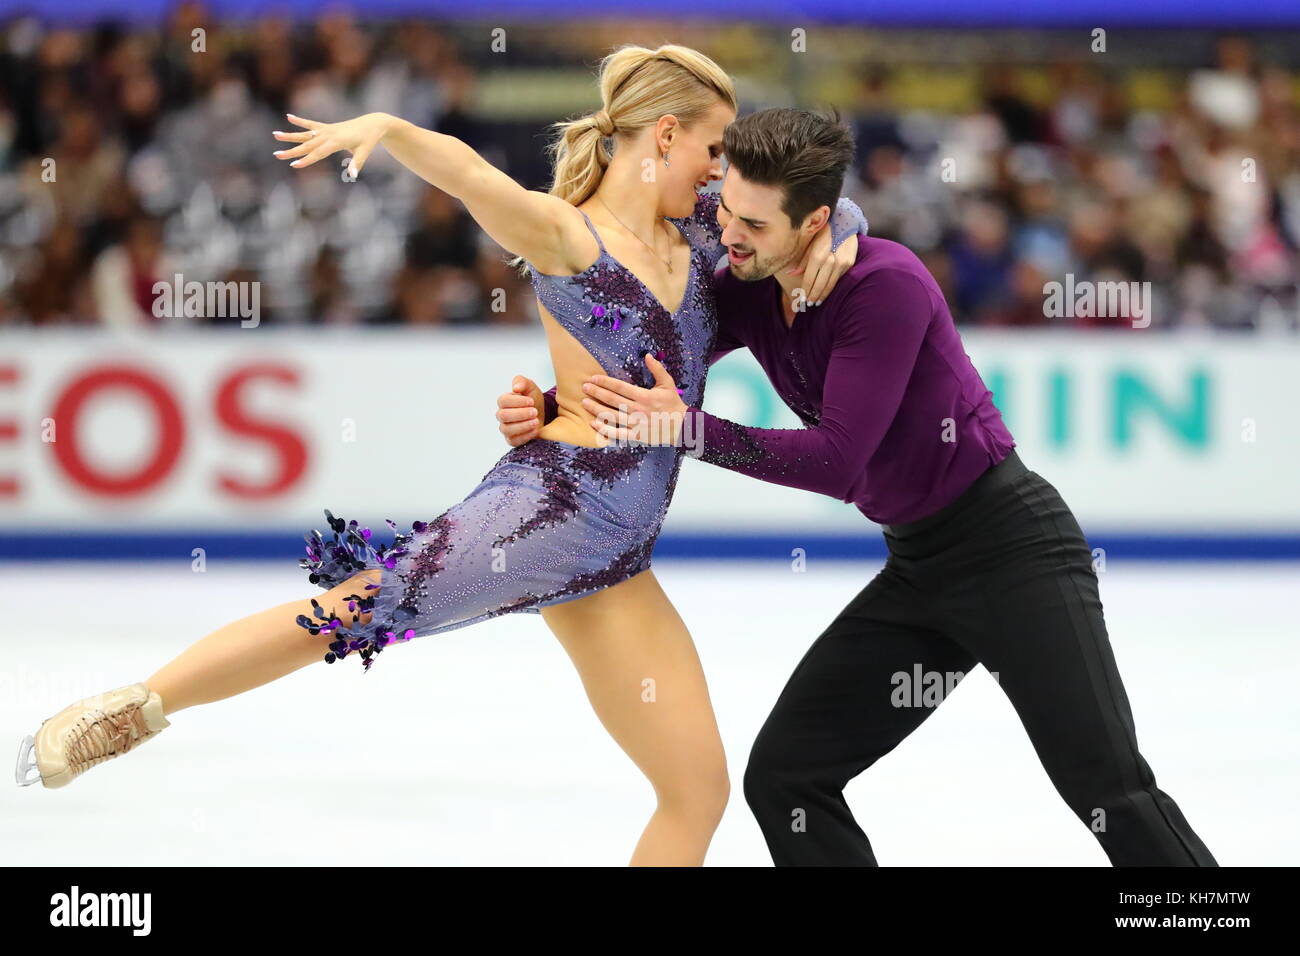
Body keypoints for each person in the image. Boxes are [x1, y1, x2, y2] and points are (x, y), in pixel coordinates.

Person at [14, 46, 866, 868]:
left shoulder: (709, 249)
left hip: (616, 561)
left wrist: (844, 234)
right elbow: (468, 173)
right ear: (667, 136)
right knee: (353, 612)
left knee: (697, 789)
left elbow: (815, 213)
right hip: (544, 515)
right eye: (714, 149)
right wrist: (388, 125)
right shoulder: (569, 235)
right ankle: (133, 709)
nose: (721, 173)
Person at [496, 107, 1219, 867]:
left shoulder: (886, 285)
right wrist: (553, 406)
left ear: (813, 224)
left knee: (1107, 789)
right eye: (728, 213)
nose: (730, 238)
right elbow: (652, 358)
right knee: (787, 778)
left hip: (1014, 554)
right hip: (920, 573)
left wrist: (686, 428)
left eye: (755, 225)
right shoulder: (744, 284)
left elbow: (837, 460)